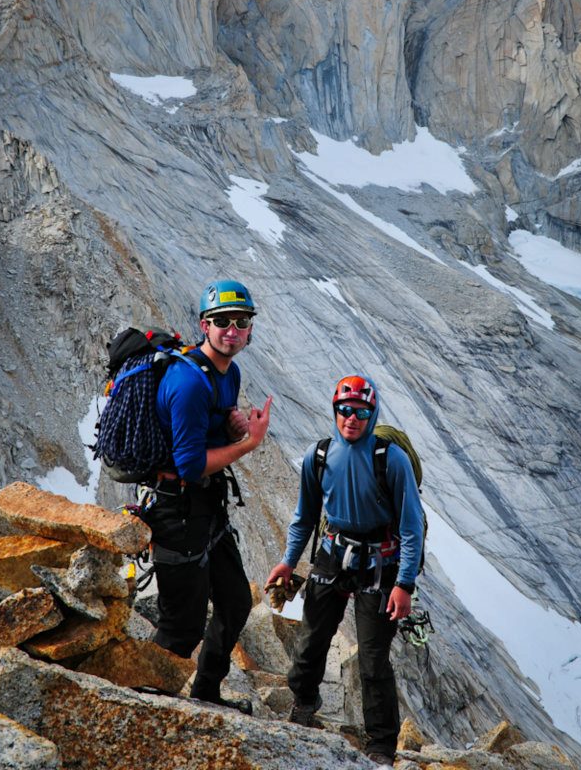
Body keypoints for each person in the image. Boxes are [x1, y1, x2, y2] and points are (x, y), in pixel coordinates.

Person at [265, 374, 423, 767]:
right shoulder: (317, 457)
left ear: (373, 415)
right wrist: (289, 560)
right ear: (335, 410)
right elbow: (304, 517)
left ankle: (382, 746)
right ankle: (304, 702)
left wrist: (404, 584)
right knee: (311, 640)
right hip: (333, 554)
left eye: (361, 412)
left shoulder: (392, 459)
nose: (351, 419)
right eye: (345, 410)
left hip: (381, 564)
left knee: (373, 658)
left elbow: (411, 525)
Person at [142, 279, 272, 711]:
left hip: (206, 507)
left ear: (250, 329)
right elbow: (190, 463)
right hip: (176, 508)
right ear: (204, 325)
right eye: (221, 322)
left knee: (235, 602)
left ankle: (205, 692)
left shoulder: (227, 373)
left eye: (241, 322)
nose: (231, 331)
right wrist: (247, 444)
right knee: (183, 623)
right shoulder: (189, 382)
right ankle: (146, 700)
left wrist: (232, 427)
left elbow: (208, 436)